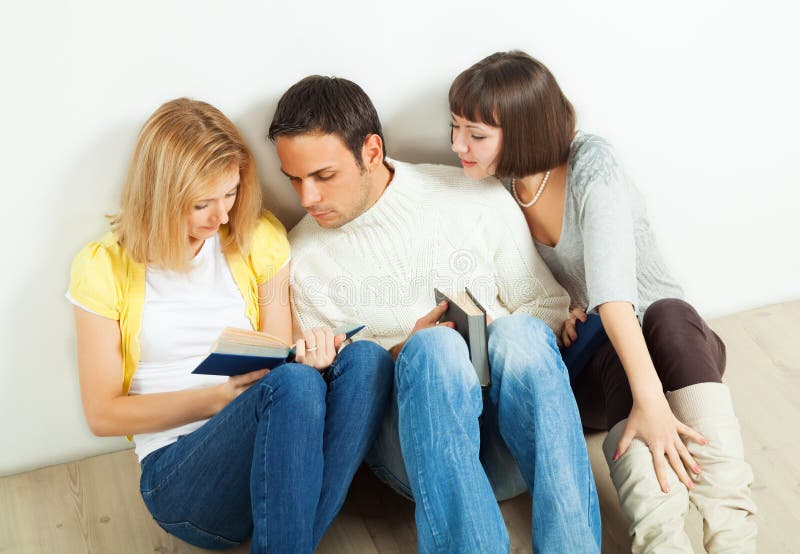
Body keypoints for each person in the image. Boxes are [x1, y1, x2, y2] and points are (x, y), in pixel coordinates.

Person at [268, 76, 601, 553]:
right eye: (294, 179)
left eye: (323, 176)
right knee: (433, 347)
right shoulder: (300, 258)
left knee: (520, 336)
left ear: (372, 151)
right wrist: (403, 352)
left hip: (512, 436)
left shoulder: (472, 197)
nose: (307, 198)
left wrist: (488, 332)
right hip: (413, 452)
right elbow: (337, 395)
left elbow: (546, 306)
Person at [449, 50, 757, 553]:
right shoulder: (491, 190)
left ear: (525, 130)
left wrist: (654, 402)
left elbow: (616, 296)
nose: (458, 145)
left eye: (476, 135)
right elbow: (506, 297)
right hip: (597, 369)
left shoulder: (591, 161)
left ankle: (735, 537)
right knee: (610, 342)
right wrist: (558, 313)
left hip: (678, 353)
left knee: (669, 314)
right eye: (456, 127)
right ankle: (661, 541)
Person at [67, 98, 393, 553]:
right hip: (181, 476)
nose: (221, 216)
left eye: (230, 194)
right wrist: (218, 398)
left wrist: (310, 359)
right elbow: (103, 414)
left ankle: (284, 537)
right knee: (294, 387)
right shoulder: (103, 267)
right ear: (161, 195)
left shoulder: (257, 238)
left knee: (367, 362)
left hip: (275, 457)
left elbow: (278, 358)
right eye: (202, 203)